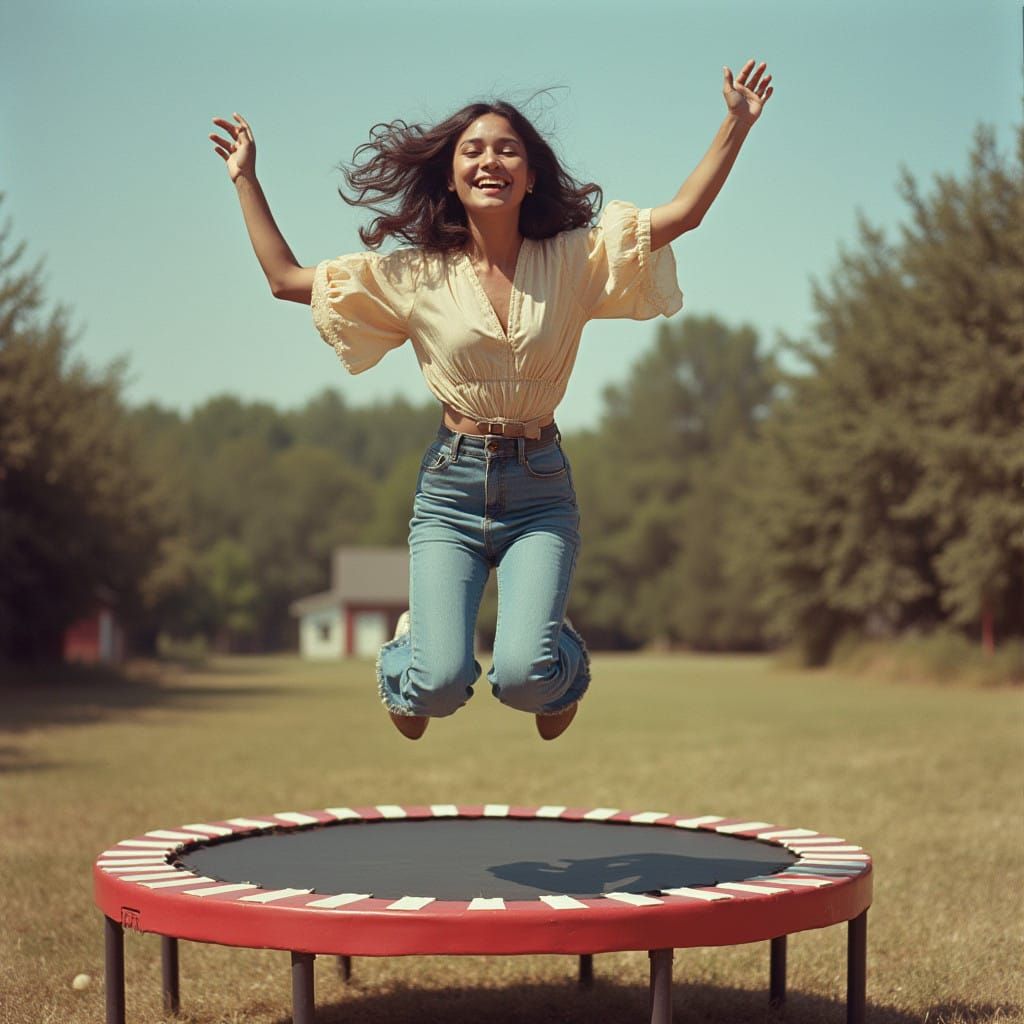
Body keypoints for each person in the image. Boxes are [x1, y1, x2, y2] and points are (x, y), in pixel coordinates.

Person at [210, 60, 774, 742]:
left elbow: (682, 215)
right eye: (472, 150)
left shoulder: (574, 260)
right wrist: (246, 176)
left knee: (525, 679)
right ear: (451, 174)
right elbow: (284, 279)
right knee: (435, 690)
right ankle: (412, 648)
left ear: (530, 174)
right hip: (450, 487)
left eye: (508, 149)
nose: (490, 160)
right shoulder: (413, 274)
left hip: (540, 487)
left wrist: (734, 126)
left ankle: (553, 650)